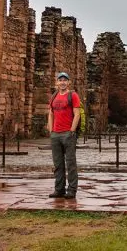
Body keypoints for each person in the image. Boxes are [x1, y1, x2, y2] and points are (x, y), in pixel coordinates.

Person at [46, 71, 81, 199]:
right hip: (56, 134)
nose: (62, 82)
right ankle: (59, 189)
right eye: (60, 80)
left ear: (69, 82)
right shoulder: (54, 96)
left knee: (70, 163)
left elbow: (77, 113)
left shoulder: (73, 95)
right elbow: (50, 113)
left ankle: (71, 190)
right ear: (57, 82)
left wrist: (72, 130)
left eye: (65, 80)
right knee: (58, 164)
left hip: (68, 133)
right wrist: (51, 130)